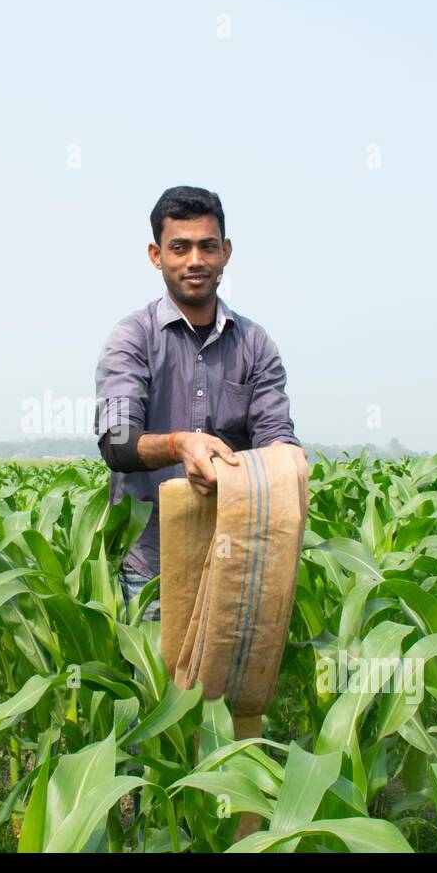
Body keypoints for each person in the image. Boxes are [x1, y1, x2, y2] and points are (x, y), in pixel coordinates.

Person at [94, 185, 308, 624]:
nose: (195, 260)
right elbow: (116, 442)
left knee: (227, 693)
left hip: (236, 563)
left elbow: (275, 436)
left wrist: (287, 459)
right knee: (159, 691)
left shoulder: (255, 344)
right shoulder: (133, 338)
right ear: (157, 255)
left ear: (225, 252)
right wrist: (180, 445)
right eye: (180, 247)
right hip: (151, 568)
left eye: (207, 246)